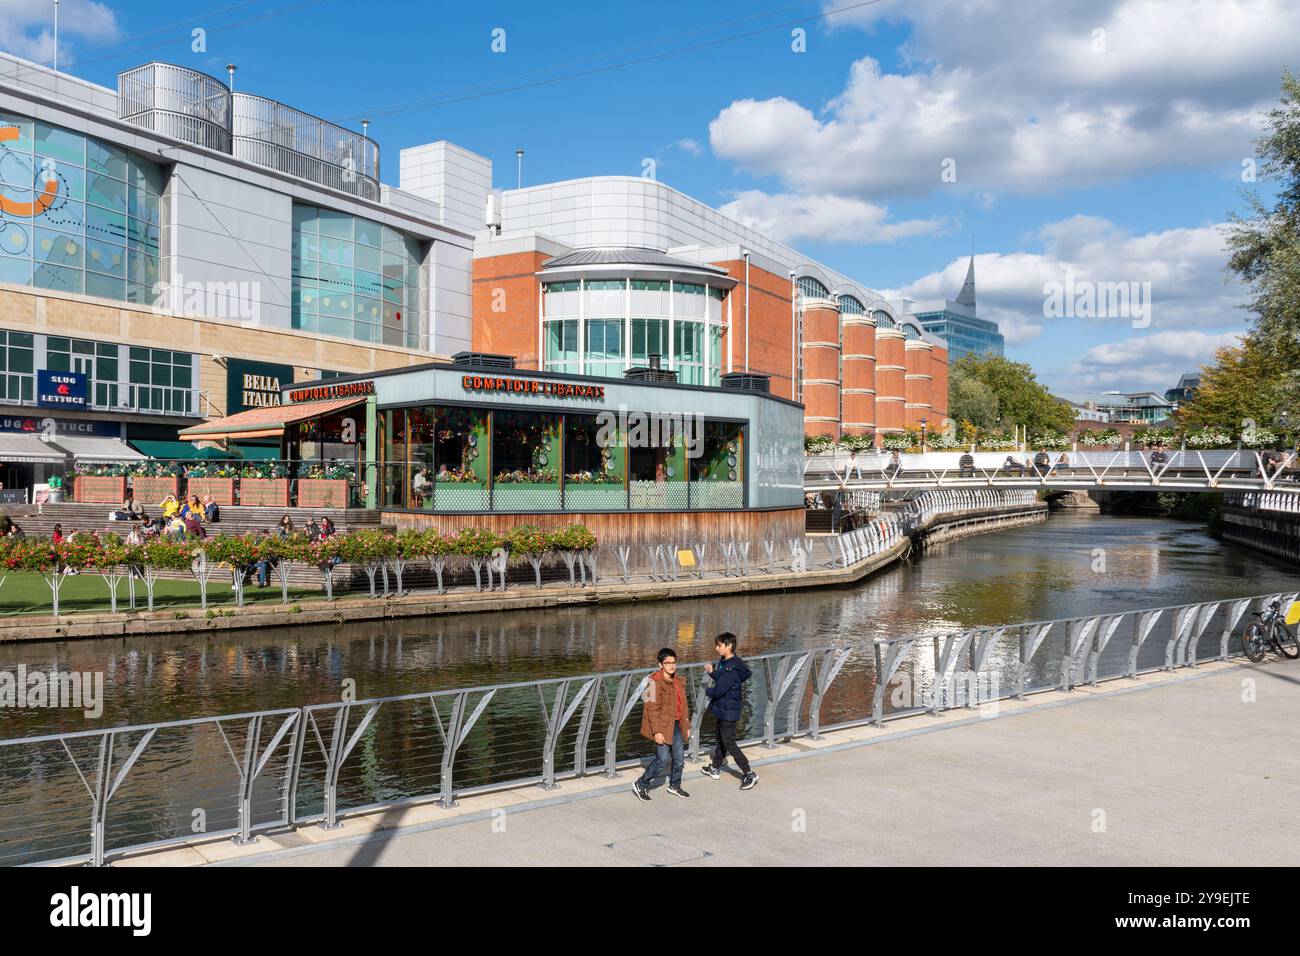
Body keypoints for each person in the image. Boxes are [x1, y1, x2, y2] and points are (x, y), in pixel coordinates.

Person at [699, 633, 758, 790]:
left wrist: (708, 691)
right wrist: (713, 673)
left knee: (729, 742)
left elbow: (719, 690)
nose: (716, 648)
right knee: (721, 738)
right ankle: (715, 768)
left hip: (728, 710)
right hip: (724, 708)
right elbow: (726, 679)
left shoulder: (731, 668)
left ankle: (748, 773)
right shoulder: (729, 662)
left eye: (719, 645)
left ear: (729, 646)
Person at [632, 648, 691, 801]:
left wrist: (687, 725)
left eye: (673, 663)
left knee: (679, 758)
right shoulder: (653, 682)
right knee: (663, 759)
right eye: (667, 663)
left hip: (677, 724)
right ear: (660, 664)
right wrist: (657, 732)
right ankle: (641, 784)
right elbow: (650, 709)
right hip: (663, 726)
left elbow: (683, 706)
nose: (671, 666)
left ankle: (675, 785)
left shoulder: (678, 681)